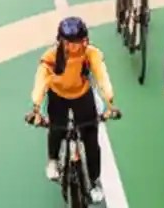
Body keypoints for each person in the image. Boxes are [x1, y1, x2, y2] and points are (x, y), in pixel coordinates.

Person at [27, 17, 119, 203]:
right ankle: (53, 160)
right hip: (58, 96)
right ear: (61, 42)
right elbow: (41, 81)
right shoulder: (51, 58)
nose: (75, 47)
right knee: (56, 128)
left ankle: (93, 182)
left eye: (79, 42)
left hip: (82, 96)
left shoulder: (90, 54)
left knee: (91, 137)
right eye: (70, 43)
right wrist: (36, 107)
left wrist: (110, 103)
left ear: (85, 40)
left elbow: (101, 76)